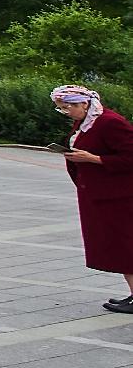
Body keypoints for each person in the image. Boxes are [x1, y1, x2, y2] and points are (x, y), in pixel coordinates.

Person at [56, 84, 133, 312]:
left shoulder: (110, 122)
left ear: (83, 103)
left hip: (119, 197)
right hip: (98, 194)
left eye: (66, 107)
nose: (66, 112)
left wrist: (93, 159)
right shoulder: (85, 121)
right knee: (118, 246)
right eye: (61, 109)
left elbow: (130, 157)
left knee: (126, 245)